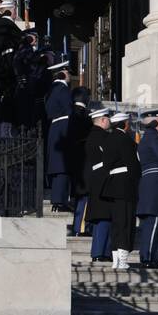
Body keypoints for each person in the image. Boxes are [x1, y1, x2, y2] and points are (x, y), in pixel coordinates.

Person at [101, 112, 141, 270]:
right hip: (125, 185)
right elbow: (133, 165)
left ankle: (116, 259)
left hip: (112, 185)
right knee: (125, 222)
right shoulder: (125, 140)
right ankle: (122, 260)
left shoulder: (108, 138)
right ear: (124, 124)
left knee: (117, 223)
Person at [135, 110, 158, 267]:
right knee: (154, 223)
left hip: (149, 183)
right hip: (155, 186)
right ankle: (148, 257)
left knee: (151, 224)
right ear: (156, 122)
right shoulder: (155, 138)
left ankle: (148, 255)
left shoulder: (146, 138)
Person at [84, 106, 114, 261]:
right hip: (105, 179)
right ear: (103, 120)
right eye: (108, 118)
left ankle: (101, 252)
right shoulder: (102, 137)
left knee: (103, 218)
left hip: (98, 179)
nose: (110, 121)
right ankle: (100, 252)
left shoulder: (93, 135)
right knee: (104, 217)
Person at [43, 62, 73, 211]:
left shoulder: (51, 90)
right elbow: (69, 110)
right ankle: (61, 201)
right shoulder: (62, 90)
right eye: (67, 73)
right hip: (63, 128)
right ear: (62, 74)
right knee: (62, 166)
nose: (69, 76)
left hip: (54, 129)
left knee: (57, 166)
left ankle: (57, 200)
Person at [66, 87, 93, 235]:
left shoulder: (74, 114)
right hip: (83, 164)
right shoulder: (81, 115)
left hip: (77, 163)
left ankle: (79, 226)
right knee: (83, 198)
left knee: (81, 198)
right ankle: (80, 228)